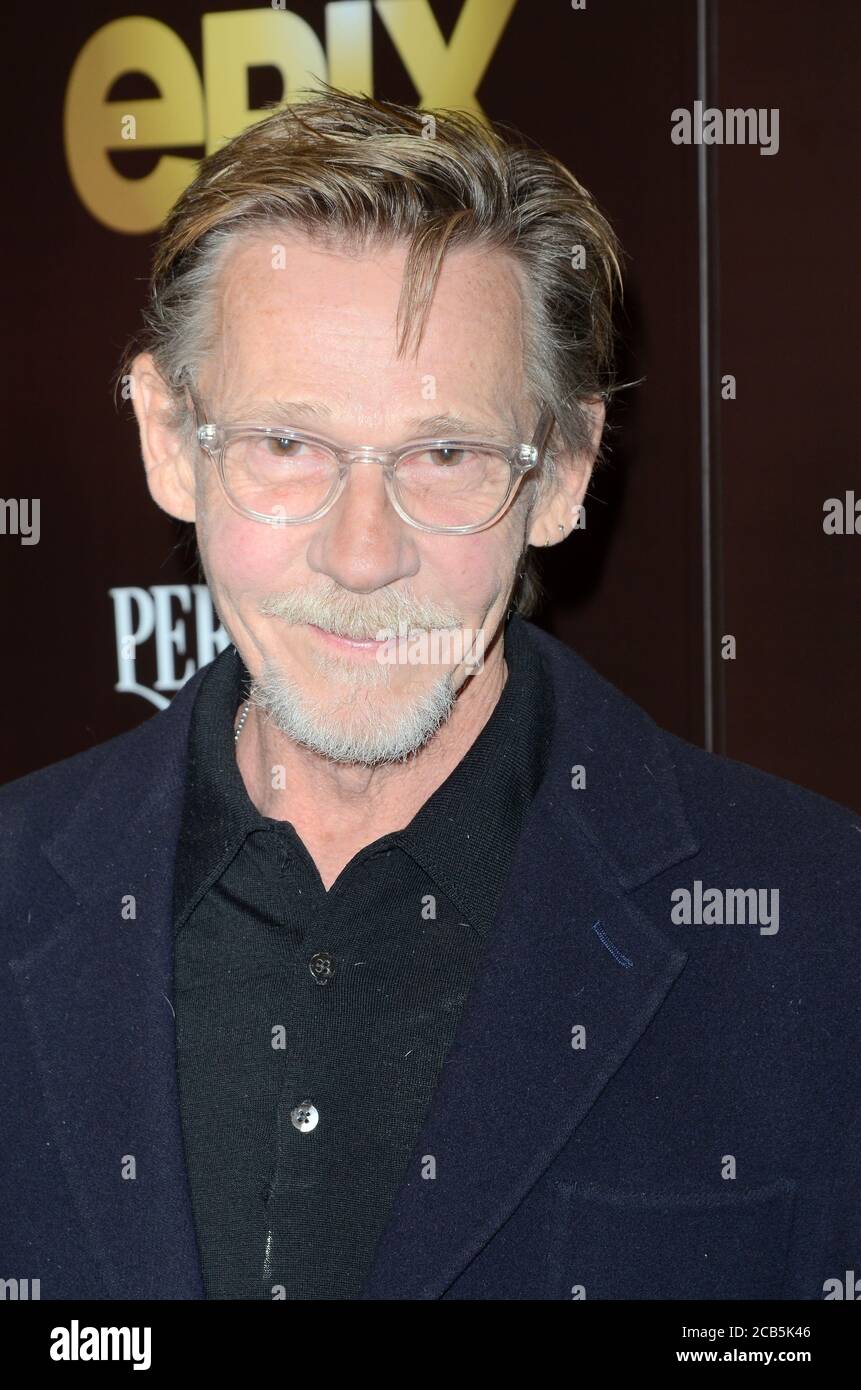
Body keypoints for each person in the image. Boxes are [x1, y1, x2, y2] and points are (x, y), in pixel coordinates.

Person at [1, 86, 857, 1303]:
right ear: (169, 442)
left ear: (563, 473)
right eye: (286, 445)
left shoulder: (818, 934)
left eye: (445, 454)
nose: (363, 555)